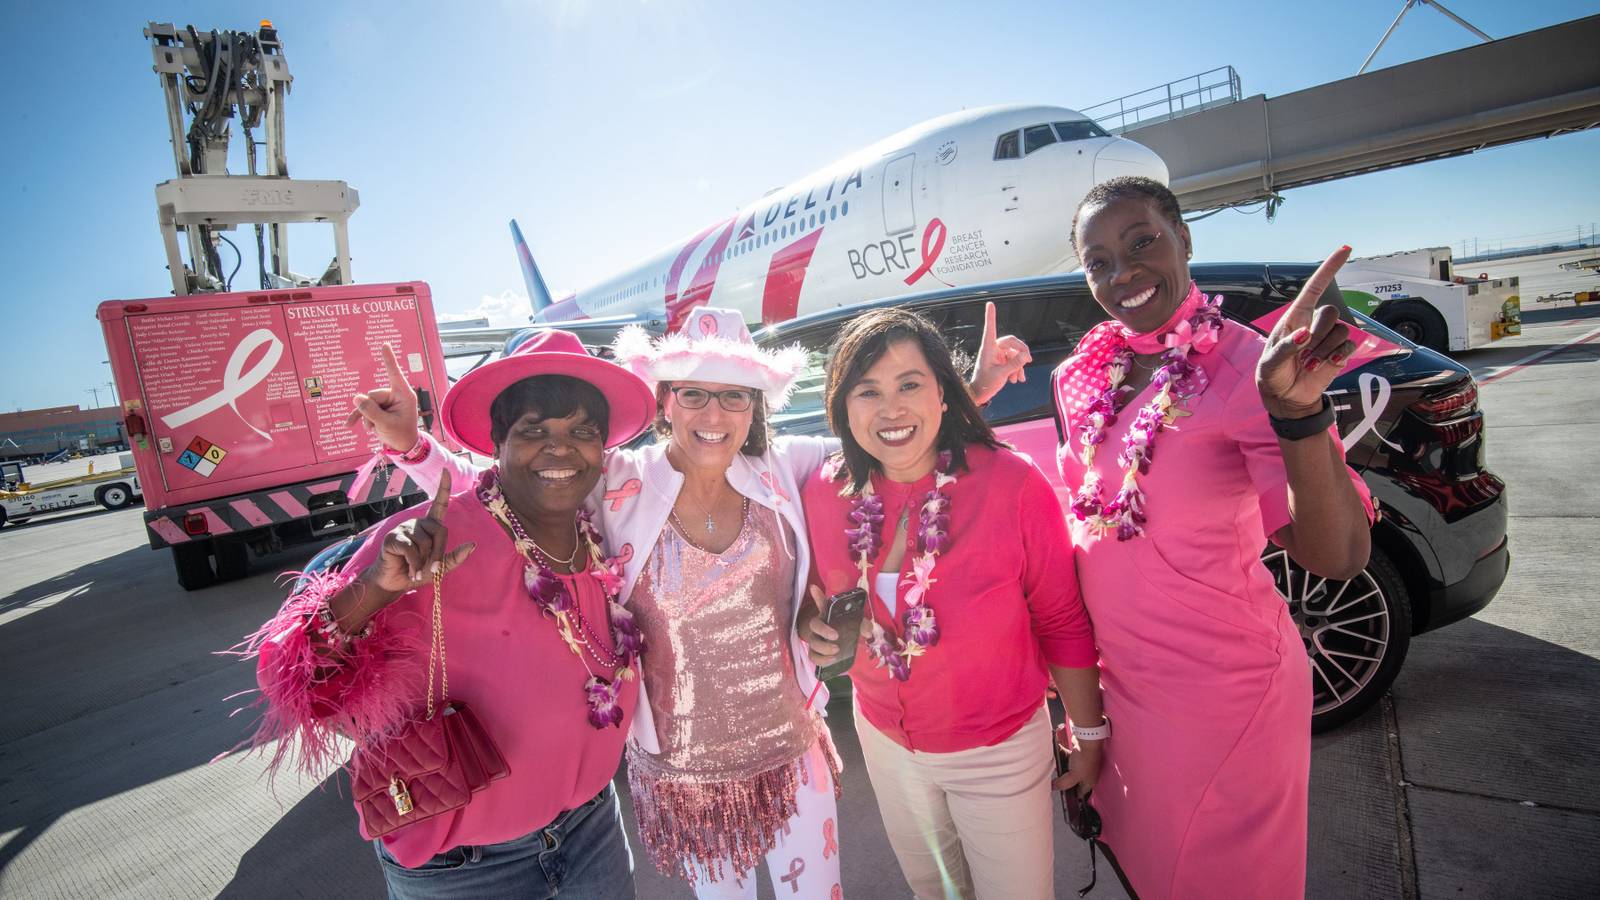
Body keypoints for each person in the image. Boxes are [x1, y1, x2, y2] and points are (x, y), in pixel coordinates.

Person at [361, 308, 1030, 899]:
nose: (715, 416)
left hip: (791, 751)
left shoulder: (789, 467)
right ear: (665, 402)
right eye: (695, 394)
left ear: (756, 406)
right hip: (684, 776)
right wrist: (415, 449)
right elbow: (511, 489)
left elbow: (887, 442)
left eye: (734, 397)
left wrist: (972, 392)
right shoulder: (617, 484)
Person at [238, 329, 657, 898]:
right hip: (469, 871)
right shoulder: (433, 538)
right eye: (534, 429)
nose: (561, 449)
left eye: (582, 431)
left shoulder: (599, 531)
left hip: (592, 832)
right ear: (496, 443)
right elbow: (290, 679)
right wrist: (376, 588)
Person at [1052, 175, 1374, 899]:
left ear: (1184, 240)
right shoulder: (1084, 373)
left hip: (1224, 696)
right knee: (1147, 873)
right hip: (1124, 690)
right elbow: (1092, 529)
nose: (1123, 273)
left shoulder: (1247, 368)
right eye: (1098, 261)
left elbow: (1339, 555)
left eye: (1142, 243)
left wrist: (1296, 412)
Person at [796, 307, 1105, 900]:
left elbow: (1062, 620)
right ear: (842, 407)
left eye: (910, 384)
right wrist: (816, 629)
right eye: (868, 391)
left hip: (999, 750)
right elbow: (809, 601)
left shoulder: (1012, 483)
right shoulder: (821, 489)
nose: (891, 409)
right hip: (885, 741)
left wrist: (1088, 734)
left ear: (945, 392)